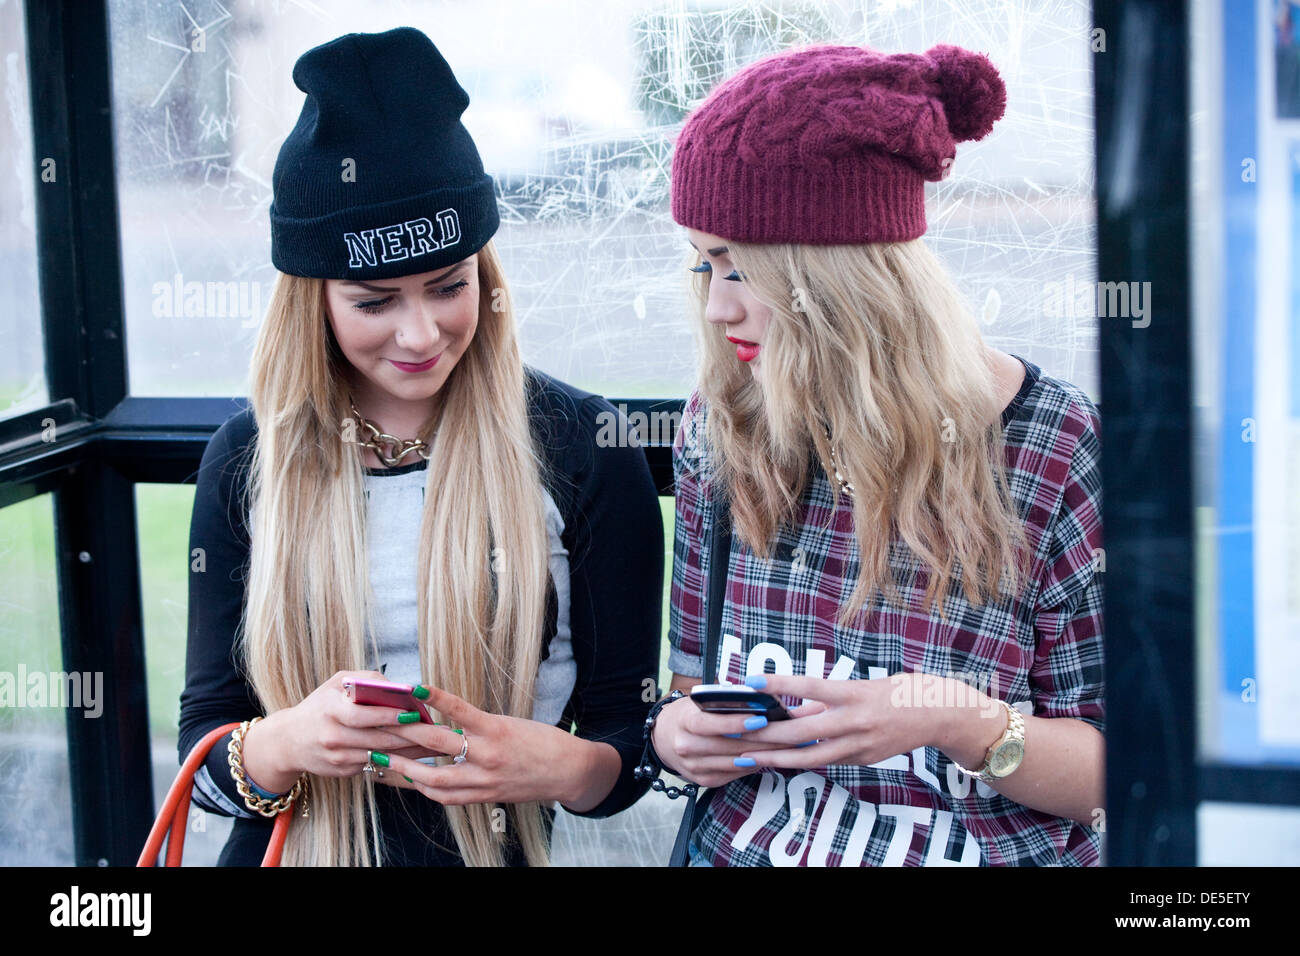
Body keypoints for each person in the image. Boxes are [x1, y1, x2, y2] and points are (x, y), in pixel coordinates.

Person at [178, 27, 663, 867]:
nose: (420, 333)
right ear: (314, 302)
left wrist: (555, 764)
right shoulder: (247, 459)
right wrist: (288, 741)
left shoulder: (582, 446)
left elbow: (629, 751)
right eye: (374, 301)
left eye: (450, 287)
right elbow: (206, 758)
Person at [644, 43, 1105, 866]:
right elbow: (687, 696)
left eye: (741, 267)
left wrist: (954, 718)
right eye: (703, 262)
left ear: (842, 280)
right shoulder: (723, 428)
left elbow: (1115, 769)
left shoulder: (1053, 447)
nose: (715, 306)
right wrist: (678, 736)